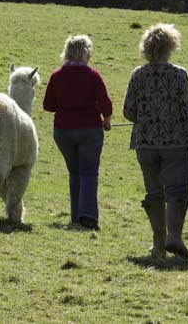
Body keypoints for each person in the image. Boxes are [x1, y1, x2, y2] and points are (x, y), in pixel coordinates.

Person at [123, 23, 188, 260]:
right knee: (177, 191)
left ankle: (158, 244)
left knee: (153, 193)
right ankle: (174, 238)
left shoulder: (137, 74)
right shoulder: (179, 74)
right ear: (171, 47)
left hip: (145, 144)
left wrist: (147, 115)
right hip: (175, 144)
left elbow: (128, 111)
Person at [43, 35, 113, 231]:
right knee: (89, 172)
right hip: (90, 130)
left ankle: (76, 216)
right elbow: (106, 104)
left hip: (63, 132)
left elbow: (48, 105)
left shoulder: (57, 75)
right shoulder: (93, 75)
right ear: (86, 53)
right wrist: (106, 120)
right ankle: (88, 215)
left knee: (75, 173)